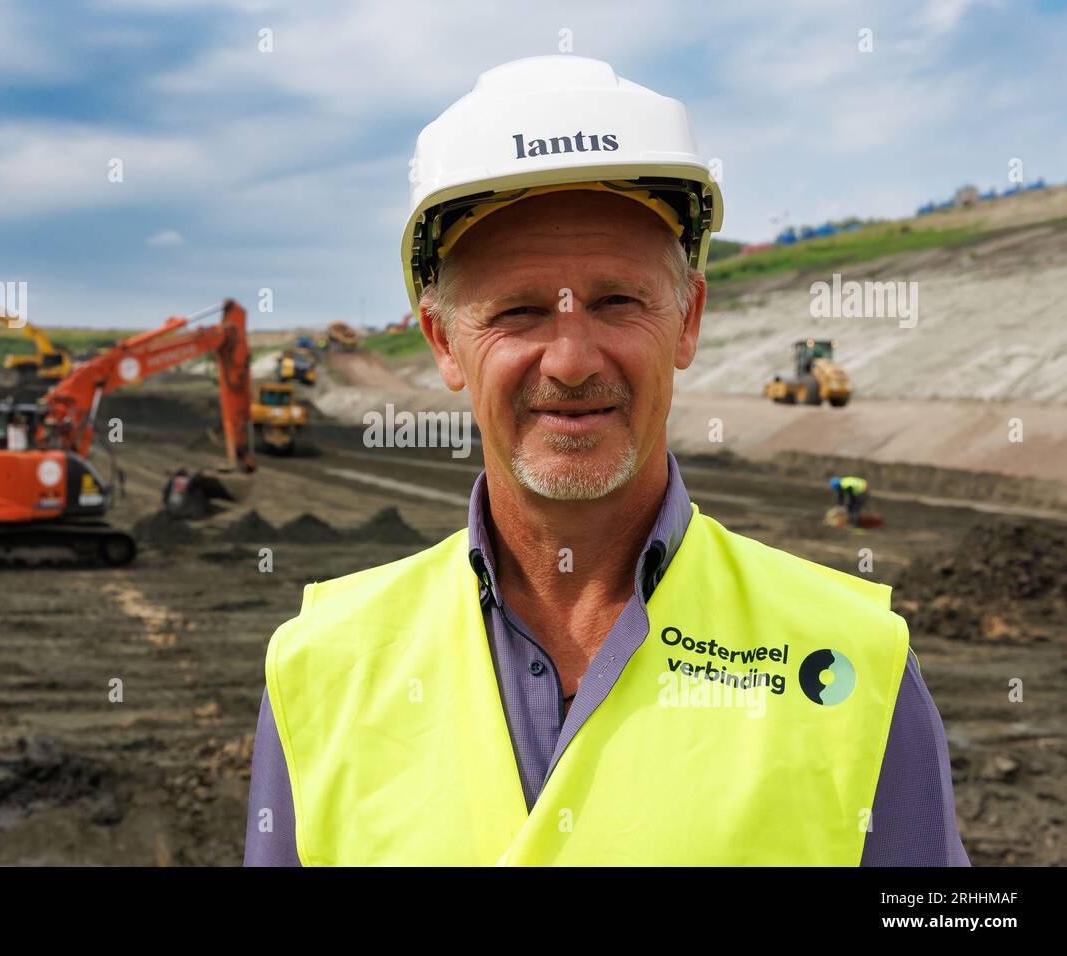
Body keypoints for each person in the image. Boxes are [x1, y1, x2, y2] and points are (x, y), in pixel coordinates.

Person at [244, 55, 968, 866]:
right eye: (518, 311)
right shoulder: (321, 670)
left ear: (688, 320)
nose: (571, 361)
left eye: (617, 302)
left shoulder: (851, 666)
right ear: (444, 341)